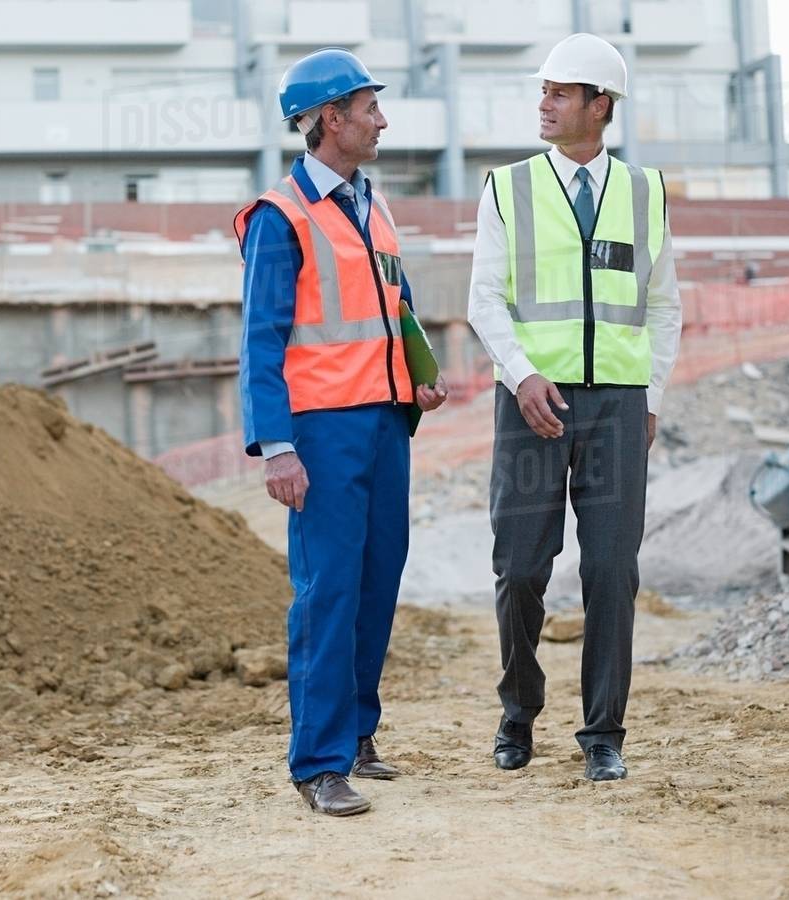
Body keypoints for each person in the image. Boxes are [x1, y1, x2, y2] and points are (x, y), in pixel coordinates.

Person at [235, 48, 448, 817]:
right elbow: (260, 341)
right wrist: (277, 447)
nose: (381, 120)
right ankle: (318, 764)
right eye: (369, 108)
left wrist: (420, 371)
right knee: (327, 593)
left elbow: (399, 305)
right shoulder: (281, 216)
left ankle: (358, 734)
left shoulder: (373, 205)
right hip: (320, 435)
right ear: (332, 119)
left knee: (376, 583)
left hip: (388, 422)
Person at [466, 33, 682, 782]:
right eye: (544, 91)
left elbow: (663, 306)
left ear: (601, 105)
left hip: (617, 411)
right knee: (521, 568)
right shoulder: (508, 187)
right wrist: (522, 376)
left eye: (560, 93)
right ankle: (519, 709)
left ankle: (603, 734)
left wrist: (649, 399)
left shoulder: (644, 192)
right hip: (533, 406)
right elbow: (483, 299)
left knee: (613, 570)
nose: (545, 104)